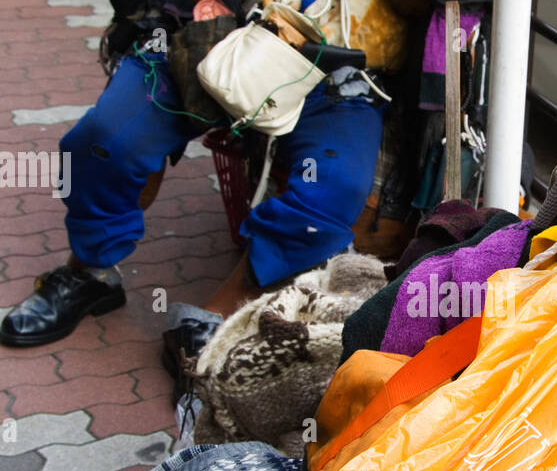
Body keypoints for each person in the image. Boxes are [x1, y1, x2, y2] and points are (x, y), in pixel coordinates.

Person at [0, 47, 384, 355]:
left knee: (335, 186)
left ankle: (213, 320)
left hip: (335, 71)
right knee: (105, 142)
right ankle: (88, 271)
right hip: (204, 41)